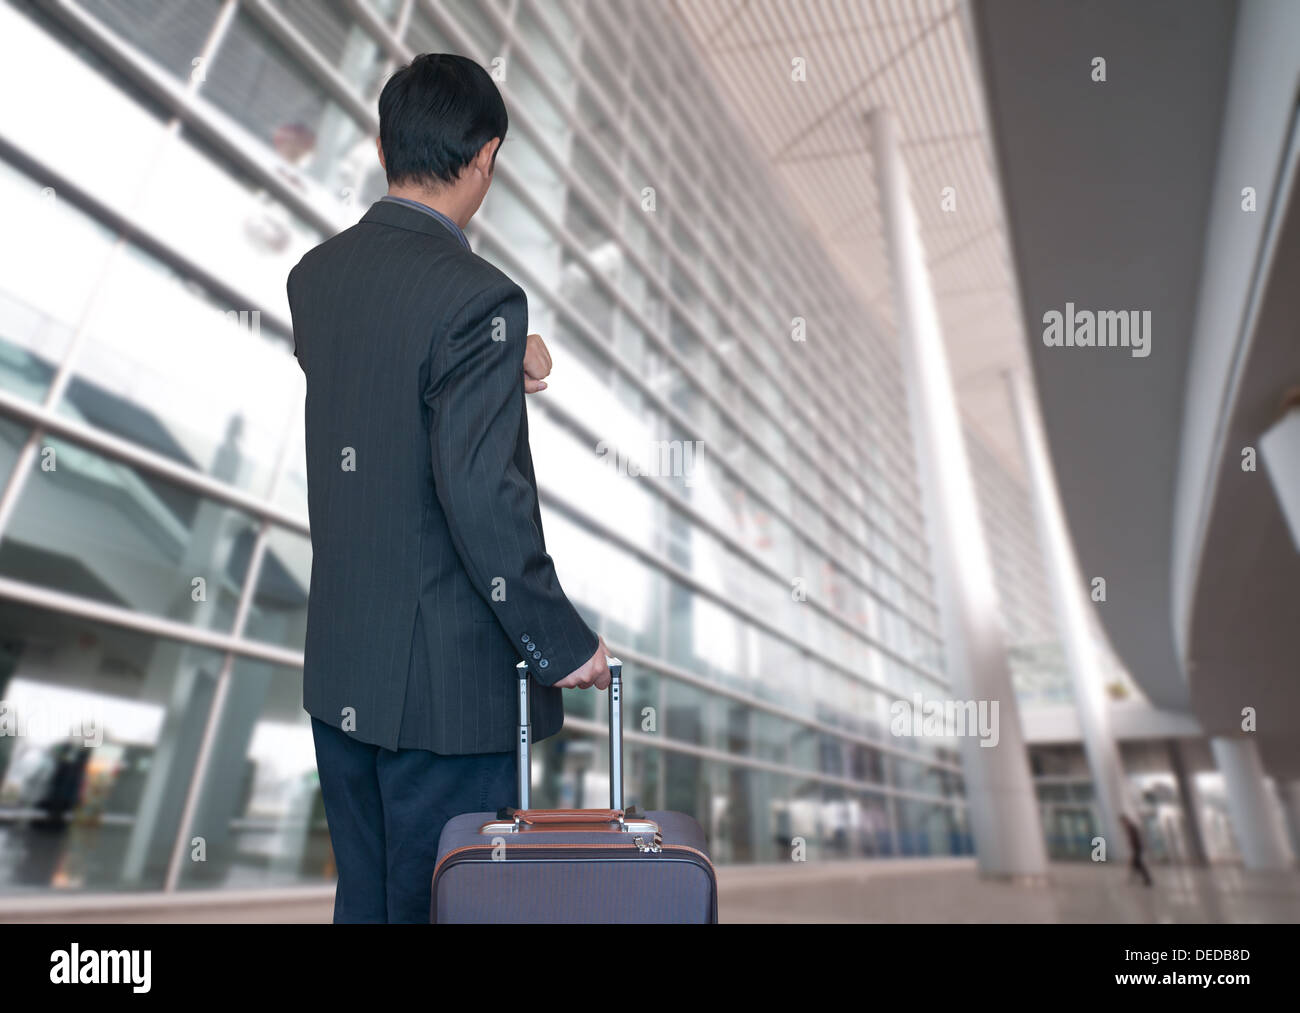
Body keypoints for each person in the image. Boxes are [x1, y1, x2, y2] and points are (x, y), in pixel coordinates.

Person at [286, 53, 609, 923]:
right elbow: (477, 491)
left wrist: (513, 347)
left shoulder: (315, 279)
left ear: (382, 142)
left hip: (344, 674)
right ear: (486, 158)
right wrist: (559, 640)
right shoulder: (480, 300)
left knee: (367, 904)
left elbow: (393, 360)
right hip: (449, 696)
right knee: (446, 906)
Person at [1119, 812, 1153, 887]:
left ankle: (1147, 879)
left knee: (1138, 863)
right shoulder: (1130, 827)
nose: (1122, 824)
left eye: (1122, 822)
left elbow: (1135, 838)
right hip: (1136, 847)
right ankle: (1140, 877)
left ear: (1125, 820)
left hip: (1137, 848)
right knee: (1136, 863)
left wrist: (1133, 845)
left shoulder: (1131, 827)